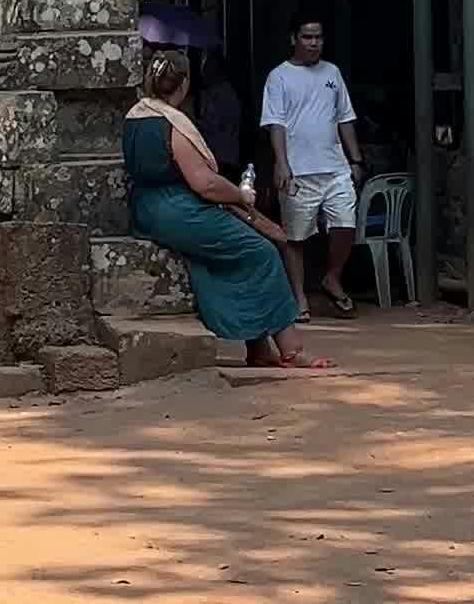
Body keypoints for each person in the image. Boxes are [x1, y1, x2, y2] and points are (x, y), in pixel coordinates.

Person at [122, 51, 328, 369]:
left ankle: (259, 347)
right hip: (177, 210)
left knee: (233, 257)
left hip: (147, 208)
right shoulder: (172, 123)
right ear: (184, 83)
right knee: (261, 252)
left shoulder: (135, 115)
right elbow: (205, 184)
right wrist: (241, 194)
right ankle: (290, 348)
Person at [258, 16, 365, 314]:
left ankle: (332, 278)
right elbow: (276, 124)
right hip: (298, 171)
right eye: (307, 37)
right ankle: (299, 298)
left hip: (336, 167)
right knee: (296, 237)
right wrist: (282, 164)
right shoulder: (279, 77)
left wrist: (356, 159)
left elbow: (345, 117)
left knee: (346, 225)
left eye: (318, 37)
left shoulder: (333, 72)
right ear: (294, 39)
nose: (314, 43)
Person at [197, 53, 245, 182]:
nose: (203, 73)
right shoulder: (221, 92)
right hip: (223, 156)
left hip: (221, 156)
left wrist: (191, 122)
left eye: (207, 69)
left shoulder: (221, 94)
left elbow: (212, 124)